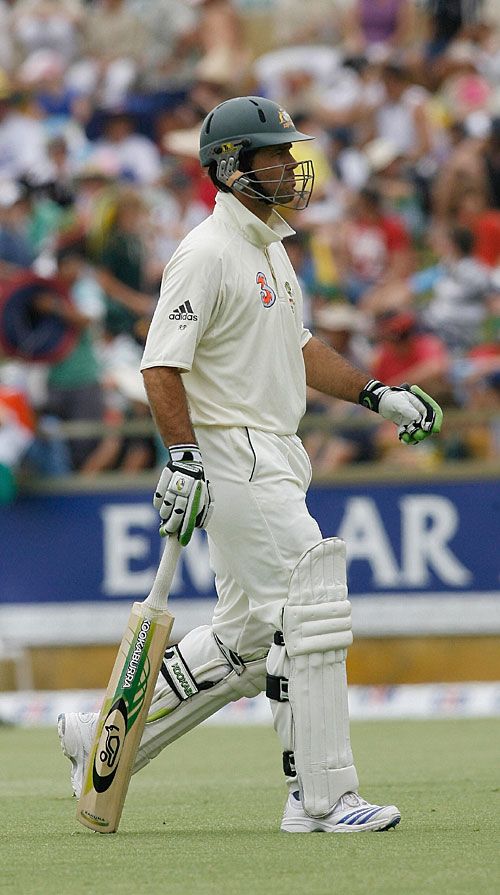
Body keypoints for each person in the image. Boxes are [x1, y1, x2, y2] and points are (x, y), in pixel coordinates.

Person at [58, 96, 442, 833]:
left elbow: (297, 351)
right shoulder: (205, 252)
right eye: (274, 154)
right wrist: (183, 457)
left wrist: (375, 393)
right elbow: (160, 365)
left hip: (277, 451)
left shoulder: (270, 246)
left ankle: (94, 734)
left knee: (243, 642)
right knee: (310, 607)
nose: (290, 166)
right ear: (234, 167)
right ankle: (322, 797)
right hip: (234, 452)